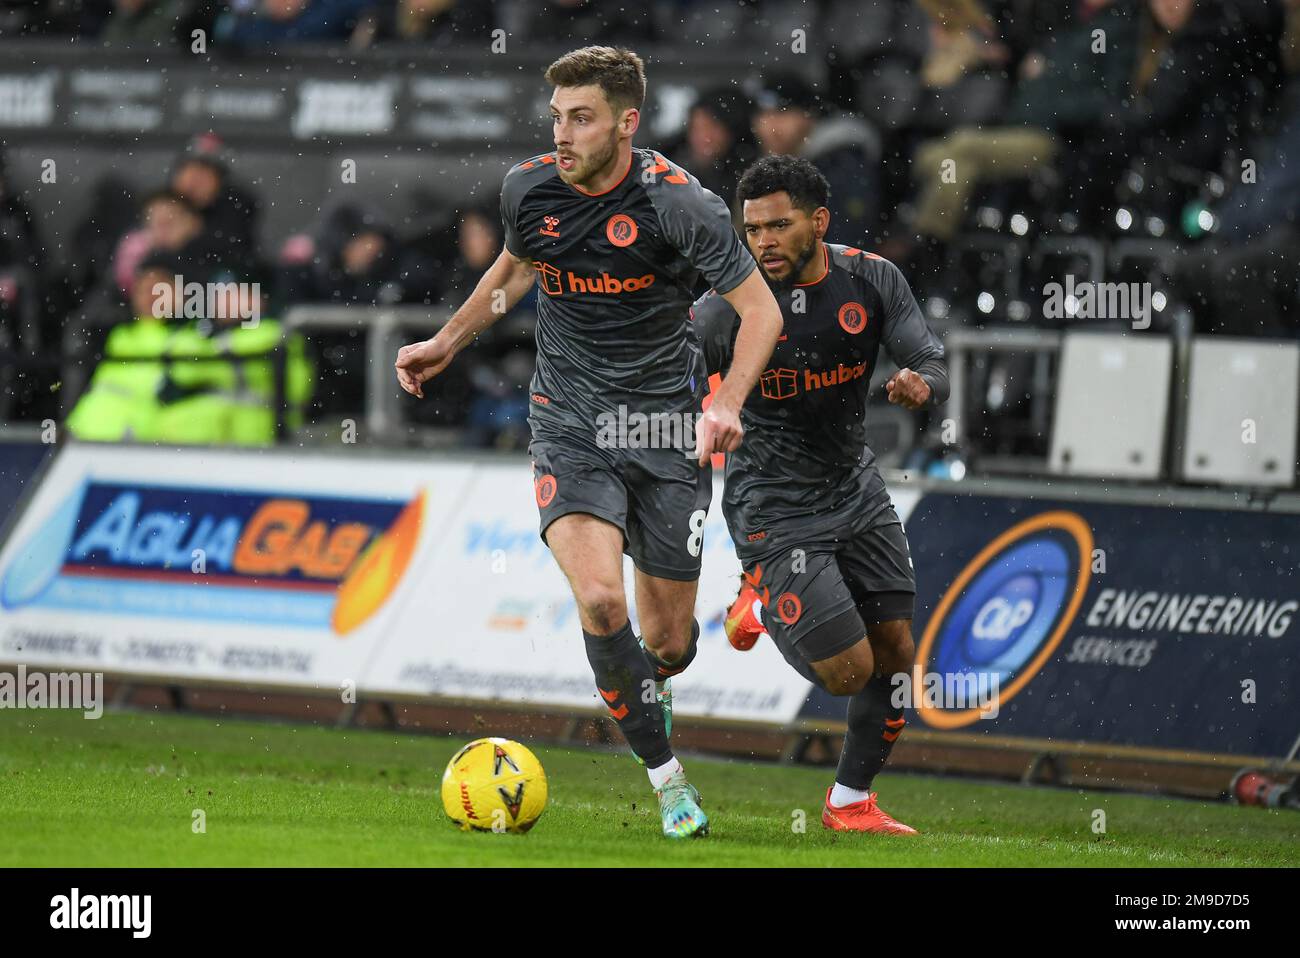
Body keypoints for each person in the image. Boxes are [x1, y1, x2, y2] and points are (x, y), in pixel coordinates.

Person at [395, 45, 783, 839]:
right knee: (601, 599)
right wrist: (447, 340)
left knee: (670, 646)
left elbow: (763, 311)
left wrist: (729, 403)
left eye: (581, 119)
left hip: (665, 430)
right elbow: (513, 272)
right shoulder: (529, 189)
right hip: (569, 423)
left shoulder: (682, 206)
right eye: (556, 118)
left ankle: (653, 684)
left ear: (626, 124)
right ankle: (668, 780)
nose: (563, 135)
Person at [691, 155, 948, 834]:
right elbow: (667, 380)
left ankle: (849, 803)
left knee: (895, 652)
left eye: (779, 225)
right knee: (845, 673)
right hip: (773, 505)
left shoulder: (872, 280)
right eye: (752, 229)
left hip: (856, 489)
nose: (764, 241)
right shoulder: (726, 307)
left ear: (819, 222)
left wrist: (923, 384)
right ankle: (759, 590)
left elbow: (931, 359)